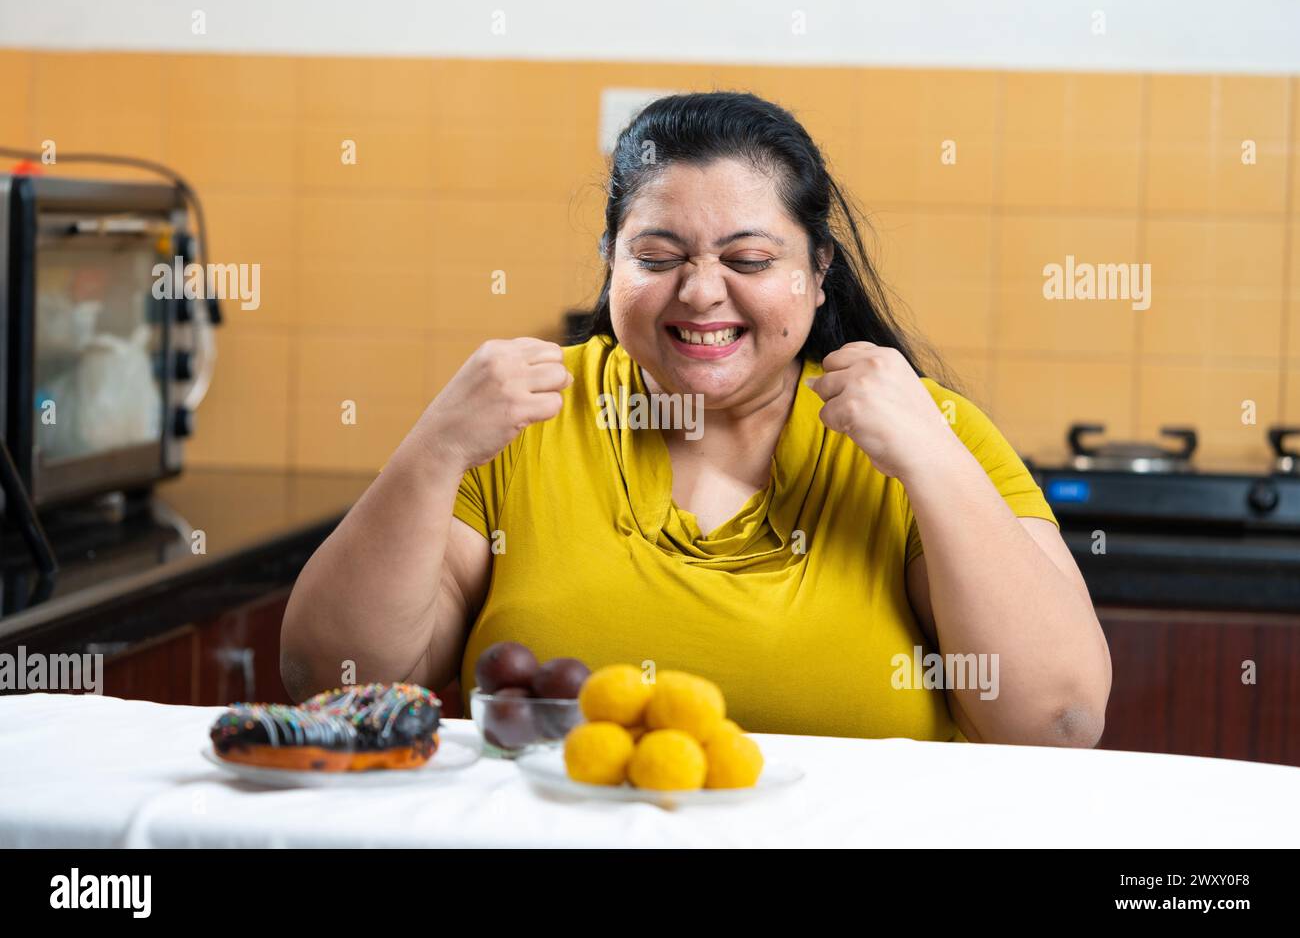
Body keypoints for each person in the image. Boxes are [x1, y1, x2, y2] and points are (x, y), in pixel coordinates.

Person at [281, 91, 1111, 745]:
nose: (701, 291)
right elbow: (333, 680)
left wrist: (933, 464)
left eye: (749, 259)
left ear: (818, 271)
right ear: (611, 260)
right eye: (657, 257)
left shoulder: (926, 430)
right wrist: (433, 449)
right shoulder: (523, 418)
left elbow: (1059, 723)